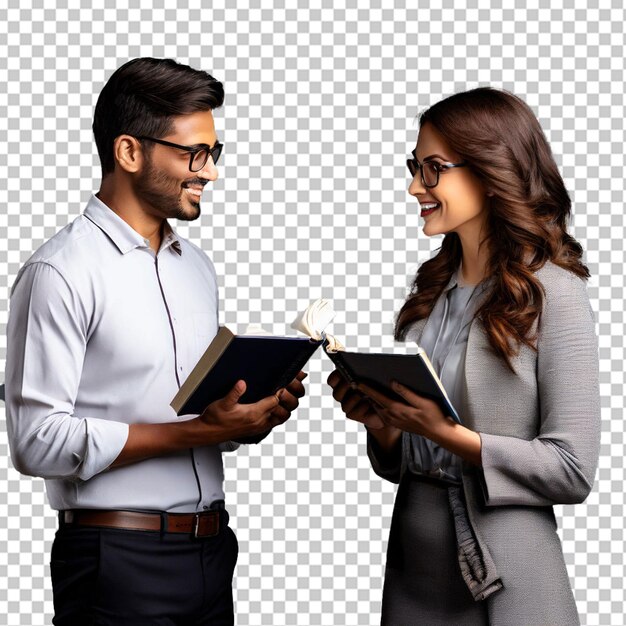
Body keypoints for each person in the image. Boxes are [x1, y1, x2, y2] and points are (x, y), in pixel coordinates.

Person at [5, 57, 306, 626]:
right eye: (193, 153)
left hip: (213, 553)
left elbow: (195, 412)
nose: (210, 172)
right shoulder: (59, 272)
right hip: (115, 563)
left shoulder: (197, 268)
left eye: (213, 152)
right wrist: (199, 431)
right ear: (129, 152)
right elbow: (35, 441)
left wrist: (244, 418)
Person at [328, 87, 600, 625]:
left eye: (433, 170)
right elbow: (410, 461)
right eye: (415, 167)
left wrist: (446, 434)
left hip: (510, 578)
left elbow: (572, 470)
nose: (414, 187)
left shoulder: (555, 293)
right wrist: (385, 428)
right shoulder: (432, 296)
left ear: (489, 171)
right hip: (415, 573)